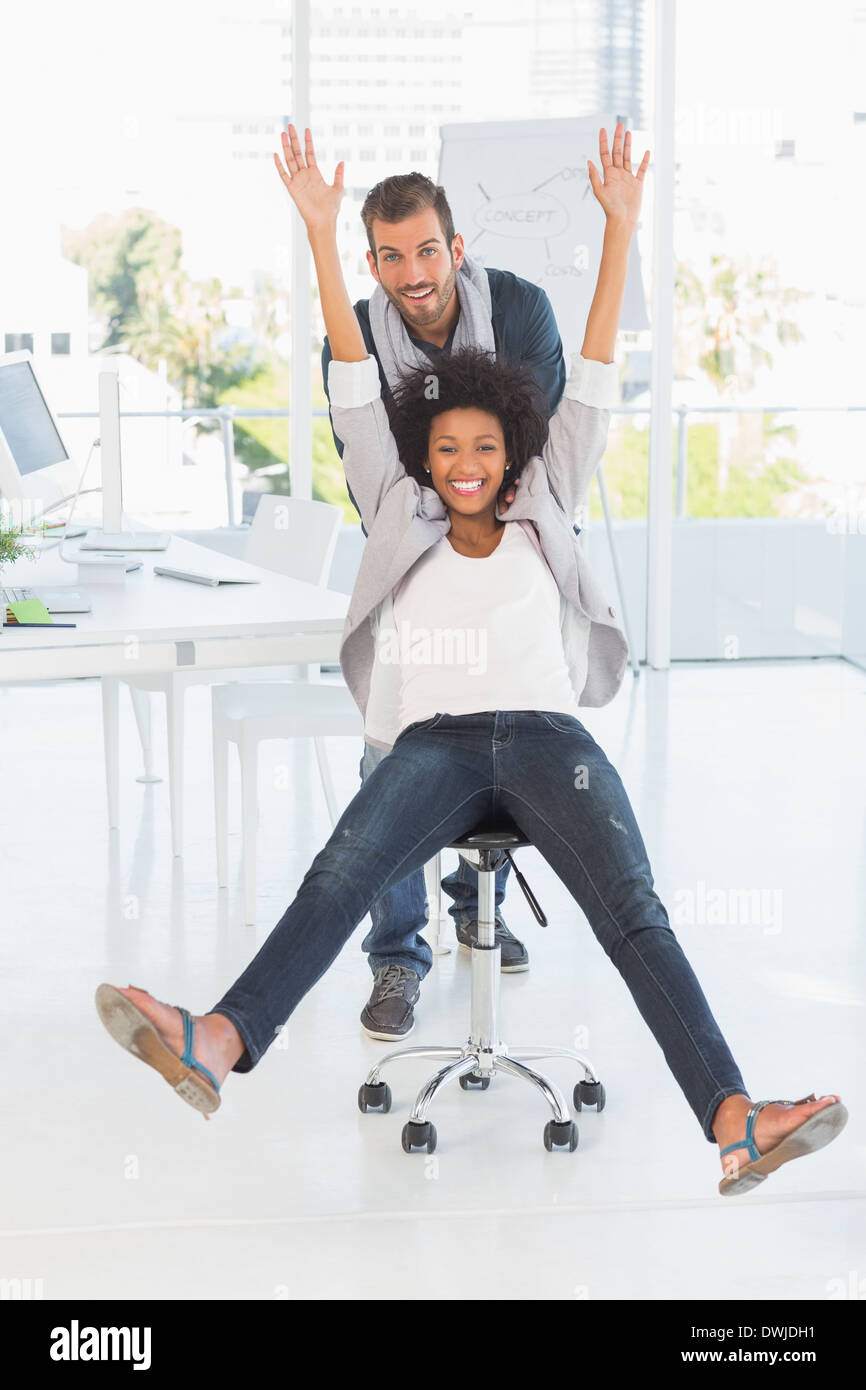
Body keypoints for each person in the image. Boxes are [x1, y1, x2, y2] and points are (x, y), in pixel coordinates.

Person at [96, 123, 847, 1196]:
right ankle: (217, 1039)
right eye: (443, 448)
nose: (461, 465)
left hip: (549, 746)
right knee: (342, 873)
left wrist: (623, 227)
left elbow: (591, 376)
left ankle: (732, 1116)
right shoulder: (399, 509)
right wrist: (317, 232)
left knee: (633, 907)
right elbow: (353, 383)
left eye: (482, 447)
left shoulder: (546, 497)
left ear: (514, 451)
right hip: (435, 749)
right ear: (421, 456)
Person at [320, 165, 570, 1037]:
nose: (413, 272)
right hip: (418, 568)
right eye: (391, 257)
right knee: (391, 761)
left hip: (508, 566)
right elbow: (380, 470)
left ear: (455, 249)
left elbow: (532, 441)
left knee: (490, 739)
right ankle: (396, 961)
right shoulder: (356, 336)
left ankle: (478, 905)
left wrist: (468, 492)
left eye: (426, 249)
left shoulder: (522, 309)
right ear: (374, 264)